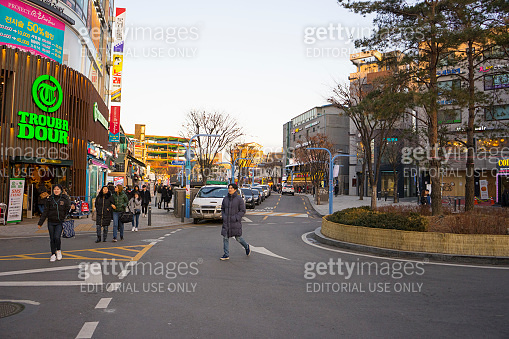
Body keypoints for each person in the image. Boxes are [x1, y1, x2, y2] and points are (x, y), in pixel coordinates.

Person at [37, 184, 74, 262]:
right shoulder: (49, 199)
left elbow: (68, 210)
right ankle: (53, 254)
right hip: (51, 222)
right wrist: (40, 222)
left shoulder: (64, 199)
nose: (56, 191)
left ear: (61, 190)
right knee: (52, 238)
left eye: (58, 189)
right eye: (55, 189)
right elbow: (45, 211)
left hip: (60, 222)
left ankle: (59, 251)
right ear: (52, 191)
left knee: (57, 237)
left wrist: (72, 208)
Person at [220, 183, 251, 260]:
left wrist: (236, 217)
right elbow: (222, 209)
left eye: (231, 188)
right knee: (225, 238)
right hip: (226, 222)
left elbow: (243, 210)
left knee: (238, 238)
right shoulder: (225, 199)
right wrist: (224, 216)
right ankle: (226, 254)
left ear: (235, 190)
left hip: (235, 222)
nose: (230, 189)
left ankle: (247, 246)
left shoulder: (239, 199)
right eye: (229, 188)